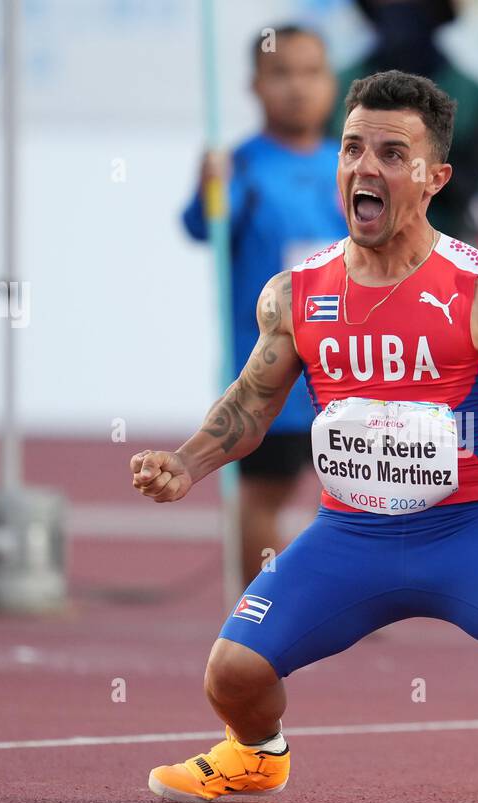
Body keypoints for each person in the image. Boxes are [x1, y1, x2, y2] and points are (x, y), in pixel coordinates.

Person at [133, 70, 478, 803]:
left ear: (434, 177)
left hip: (465, 529)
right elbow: (253, 401)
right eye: (353, 148)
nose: (366, 167)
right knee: (231, 674)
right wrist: (185, 463)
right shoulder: (297, 293)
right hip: (348, 533)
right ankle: (257, 756)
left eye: (393, 153)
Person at [181, 25, 342, 583]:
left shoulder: (352, 166)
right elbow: (204, 227)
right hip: (275, 373)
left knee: (371, 492)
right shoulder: (242, 167)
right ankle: (260, 612)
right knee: (263, 494)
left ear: (332, 82)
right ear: (255, 84)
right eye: (281, 74)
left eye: (311, 72)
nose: (297, 88)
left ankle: (355, 601)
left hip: (351, 366)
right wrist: (211, 187)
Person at [327, 0, 478, 242]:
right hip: (345, 250)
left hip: (437, 249)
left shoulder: (474, 98)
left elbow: (469, 188)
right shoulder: (334, 88)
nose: (401, 12)